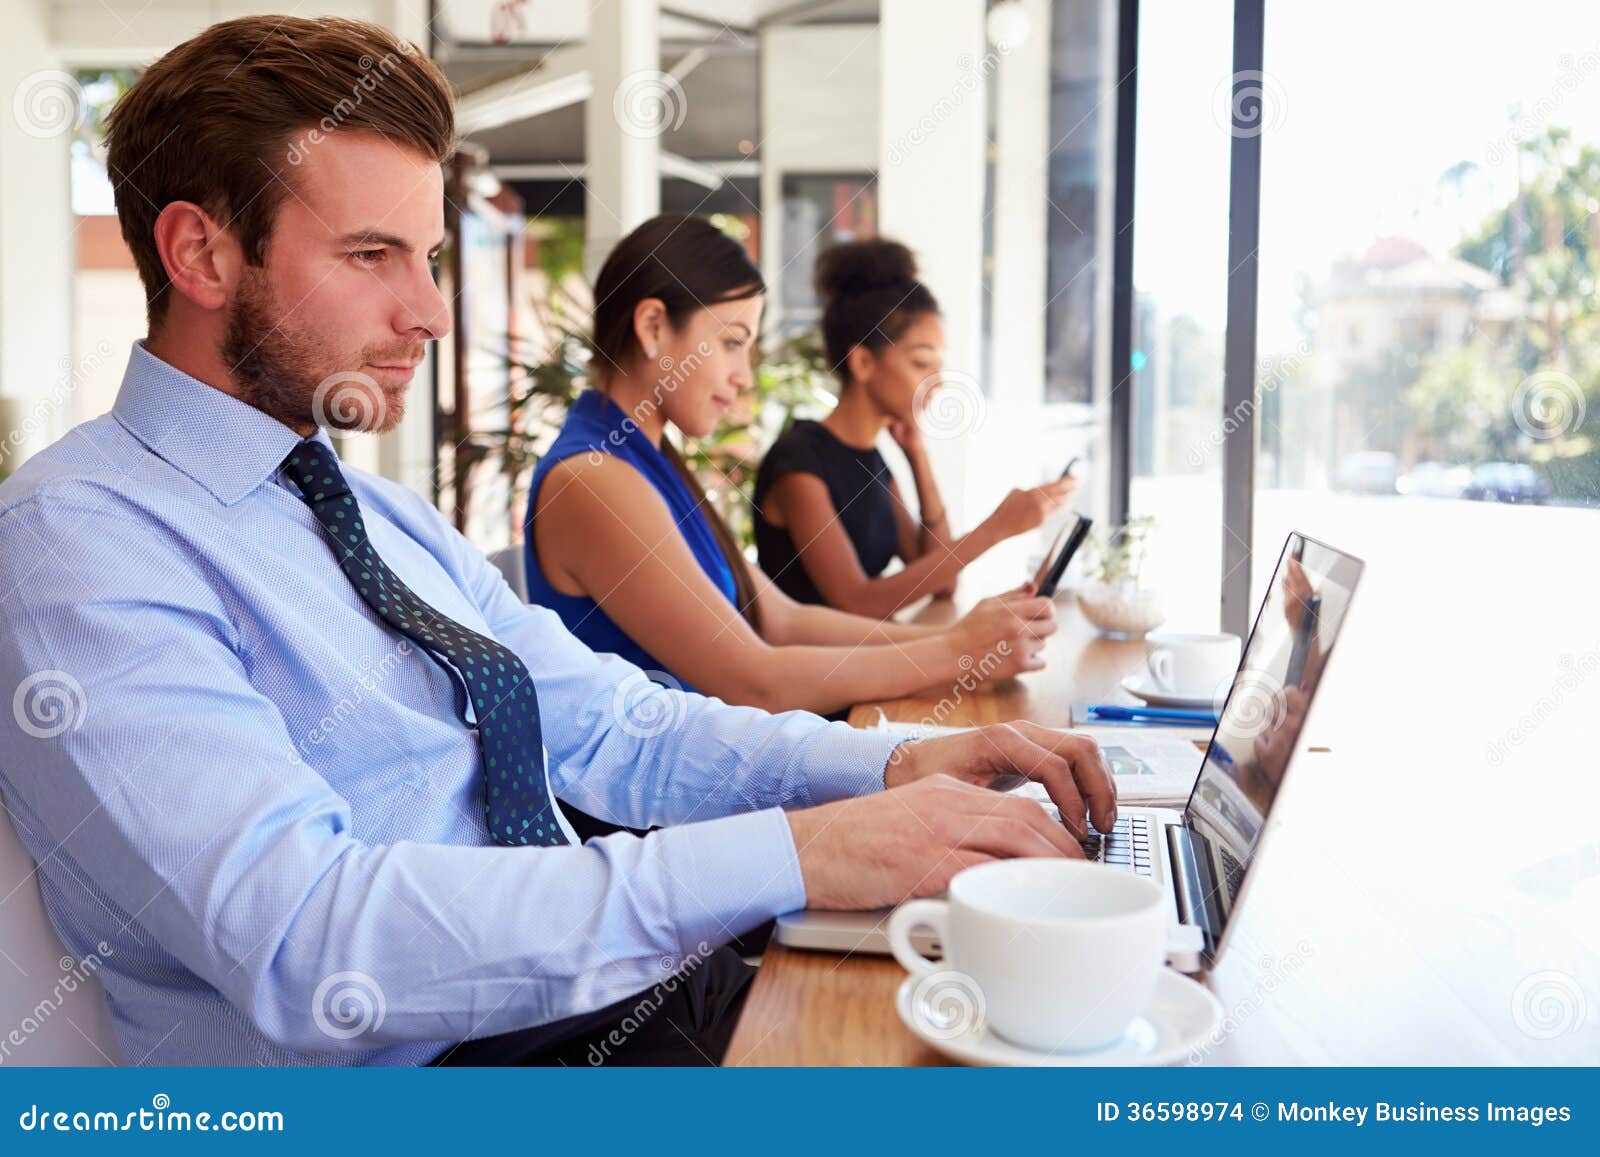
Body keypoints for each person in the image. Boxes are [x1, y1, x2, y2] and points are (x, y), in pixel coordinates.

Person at [0, 15, 1116, 1069]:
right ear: (200, 255)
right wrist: (807, 850)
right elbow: (308, 937)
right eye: (372, 254)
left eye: (427, 257)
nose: (430, 313)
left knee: (1047, 1017)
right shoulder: (82, 542)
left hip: (602, 999)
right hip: (442, 1071)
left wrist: (891, 764)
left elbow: (613, 724)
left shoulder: (374, 511)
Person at [523, 214, 1057, 717]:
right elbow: (752, 681)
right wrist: (956, 653)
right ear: (654, 327)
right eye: (731, 343)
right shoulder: (594, 479)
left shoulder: (649, 460)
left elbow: (781, 619)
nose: (743, 377)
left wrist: (964, 640)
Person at [753, 239, 1075, 616]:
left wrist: (918, 457)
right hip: (811, 656)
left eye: (938, 366)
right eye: (921, 364)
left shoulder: (871, 460)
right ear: (863, 363)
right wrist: (996, 528)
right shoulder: (798, 463)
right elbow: (857, 601)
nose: (937, 384)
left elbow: (943, 583)